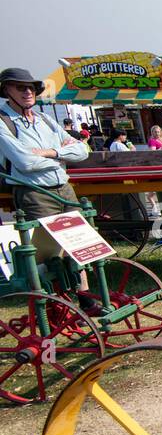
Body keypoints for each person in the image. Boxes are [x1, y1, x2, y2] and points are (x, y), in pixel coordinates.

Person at [0, 66, 96, 302]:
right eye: (20, 87)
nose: (27, 92)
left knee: (79, 242)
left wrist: (49, 152)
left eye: (31, 87)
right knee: (46, 251)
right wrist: (61, 155)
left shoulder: (44, 119)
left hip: (64, 188)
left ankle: (85, 295)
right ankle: (52, 302)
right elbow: (25, 162)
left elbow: (81, 150)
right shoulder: (3, 122)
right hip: (35, 192)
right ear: (6, 90)